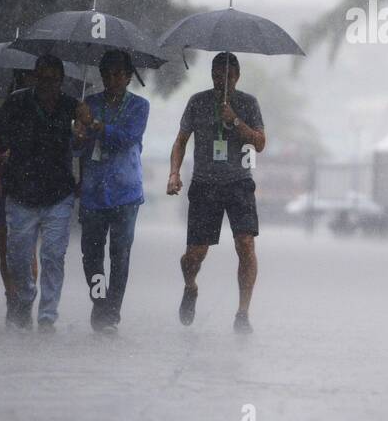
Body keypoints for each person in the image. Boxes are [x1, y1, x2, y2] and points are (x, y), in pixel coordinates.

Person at [0, 54, 87, 332]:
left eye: (53, 79)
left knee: (53, 255)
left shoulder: (72, 106)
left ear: (62, 80)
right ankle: (25, 297)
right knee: (18, 256)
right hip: (21, 193)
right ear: (34, 77)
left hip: (59, 194)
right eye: (42, 77)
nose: (47, 84)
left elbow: (83, 145)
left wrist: (81, 131)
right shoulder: (16, 103)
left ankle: (47, 316)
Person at [166, 52, 266, 334]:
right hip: (205, 183)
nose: (221, 80)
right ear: (211, 75)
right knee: (194, 255)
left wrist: (235, 122)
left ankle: (242, 313)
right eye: (216, 75)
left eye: (227, 75)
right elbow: (180, 141)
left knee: (245, 244)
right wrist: (174, 173)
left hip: (239, 183)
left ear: (237, 76)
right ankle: (190, 286)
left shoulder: (248, 103)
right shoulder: (198, 102)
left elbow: (260, 143)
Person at [74, 50, 149, 334]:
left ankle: (112, 310)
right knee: (91, 254)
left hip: (125, 193)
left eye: (118, 73)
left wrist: (93, 124)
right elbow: (77, 149)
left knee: (120, 253)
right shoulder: (88, 103)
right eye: (107, 74)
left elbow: (125, 138)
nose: (112, 79)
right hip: (93, 192)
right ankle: (99, 301)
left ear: (128, 77)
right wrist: (78, 134)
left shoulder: (139, 107)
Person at [0, 70, 37, 310]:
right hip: (1, 190)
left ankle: (26, 300)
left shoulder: (42, 117)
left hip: (30, 191)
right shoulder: (0, 116)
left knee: (28, 250)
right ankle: (12, 299)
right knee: (6, 251)